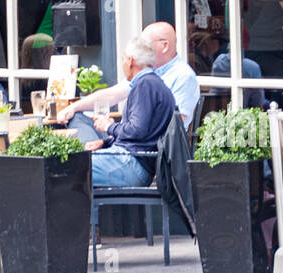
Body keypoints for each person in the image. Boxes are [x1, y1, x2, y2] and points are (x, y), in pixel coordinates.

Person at [69, 32, 174, 188]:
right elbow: (143, 134)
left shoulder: (145, 85)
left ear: (130, 61)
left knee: (64, 169)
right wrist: (104, 142)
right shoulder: (154, 84)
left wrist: (108, 127)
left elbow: (137, 130)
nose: (123, 63)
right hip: (134, 163)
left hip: (131, 164)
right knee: (70, 166)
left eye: (124, 58)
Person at [58, 21, 200, 128]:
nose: (140, 48)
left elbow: (172, 126)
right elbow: (113, 94)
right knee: (77, 119)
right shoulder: (146, 72)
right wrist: (73, 107)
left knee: (87, 162)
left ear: (164, 46)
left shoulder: (183, 76)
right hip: (126, 139)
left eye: (145, 44)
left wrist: (112, 129)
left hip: (151, 154)